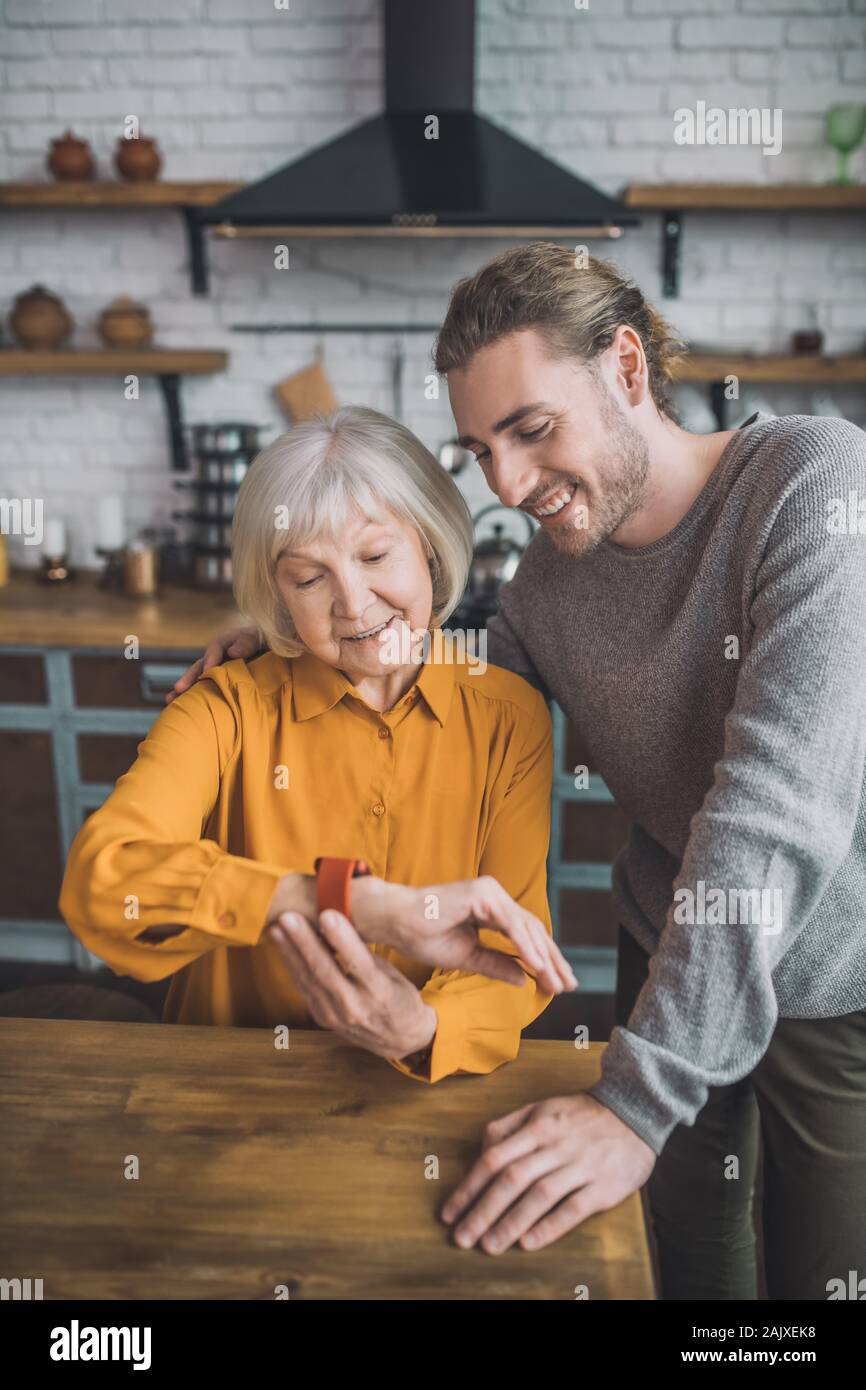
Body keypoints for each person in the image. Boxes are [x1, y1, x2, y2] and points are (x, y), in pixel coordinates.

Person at [178, 243, 866, 1300]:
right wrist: (291, 637)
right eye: (477, 450)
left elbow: (767, 815)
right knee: (677, 1263)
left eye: (529, 430)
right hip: (667, 945)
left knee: (822, 1276)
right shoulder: (552, 576)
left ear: (625, 369)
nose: (503, 482)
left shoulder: (812, 487)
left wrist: (633, 1104)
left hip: (831, 975)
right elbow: (463, 676)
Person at [59, 405, 576, 1088]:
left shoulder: (511, 716)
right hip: (228, 1086)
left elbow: (516, 946)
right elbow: (105, 880)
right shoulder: (225, 706)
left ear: (427, 543)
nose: (355, 606)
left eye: (374, 556)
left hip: (419, 1086)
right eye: (310, 578)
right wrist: (331, 899)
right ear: (276, 594)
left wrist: (422, 1028)